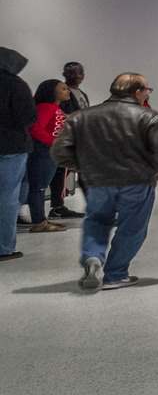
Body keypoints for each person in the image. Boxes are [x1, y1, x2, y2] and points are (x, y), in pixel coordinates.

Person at [52, 73, 158, 290]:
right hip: (137, 182)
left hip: (97, 181)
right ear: (137, 92)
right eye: (147, 90)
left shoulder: (81, 116)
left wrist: (83, 168)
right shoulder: (150, 117)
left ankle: (92, 258)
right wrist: (152, 171)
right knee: (132, 227)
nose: (147, 94)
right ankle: (116, 274)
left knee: (97, 220)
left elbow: (60, 151)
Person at [18, 78, 68, 234]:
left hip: (47, 151)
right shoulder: (46, 107)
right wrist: (53, 142)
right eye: (63, 88)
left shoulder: (54, 108)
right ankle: (39, 222)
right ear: (52, 91)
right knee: (38, 188)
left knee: (39, 187)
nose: (67, 91)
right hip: (43, 151)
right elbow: (35, 129)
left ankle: (41, 220)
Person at [0, 46, 34, 261]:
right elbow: (28, 117)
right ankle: (3, 247)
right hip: (11, 147)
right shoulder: (15, 84)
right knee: (8, 197)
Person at [42, 62, 86, 217]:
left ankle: (58, 206)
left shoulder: (80, 94)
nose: (78, 76)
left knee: (74, 172)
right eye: (74, 72)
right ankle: (57, 207)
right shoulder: (61, 97)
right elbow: (58, 116)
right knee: (60, 172)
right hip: (65, 140)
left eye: (80, 72)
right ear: (65, 74)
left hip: (77, 139)